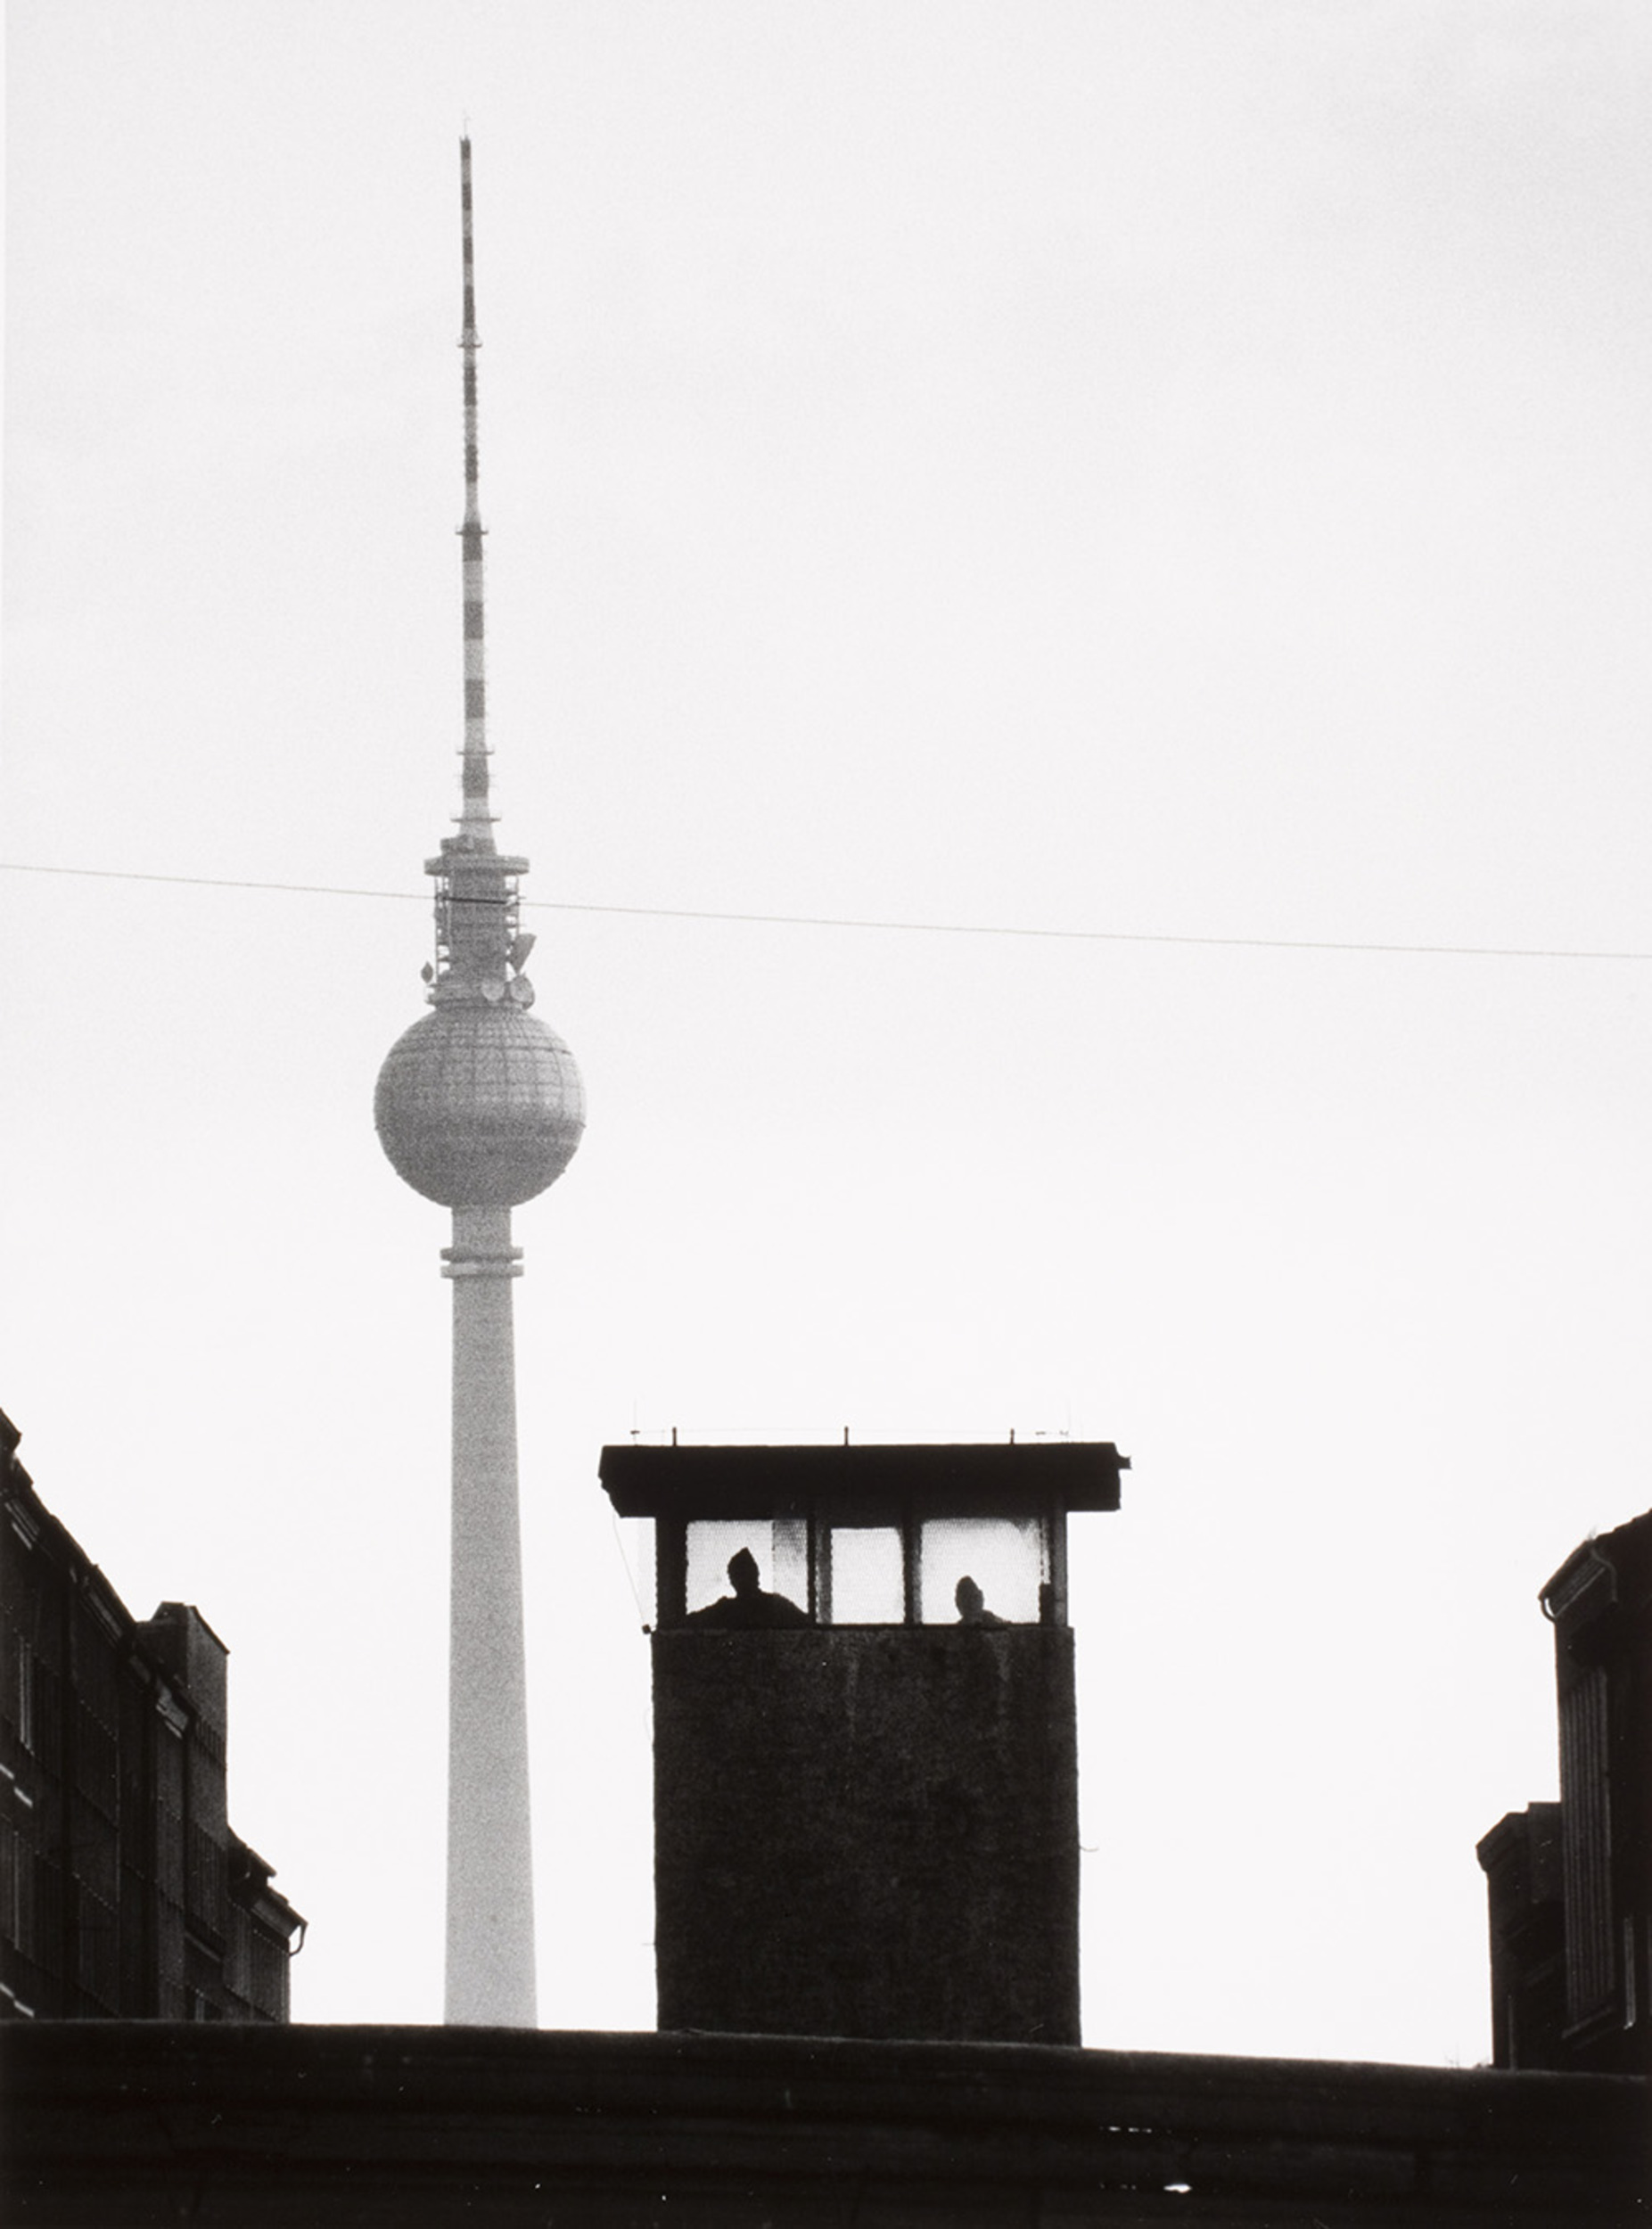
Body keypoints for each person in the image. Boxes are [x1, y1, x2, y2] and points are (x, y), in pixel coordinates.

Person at [686, 1546, 810, 1629]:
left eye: (736, 1575)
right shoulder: (776, 1604)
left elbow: (693, 1621)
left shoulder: (726, 1609)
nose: (735, 1580)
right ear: (757, 1574)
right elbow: (806, 1622)